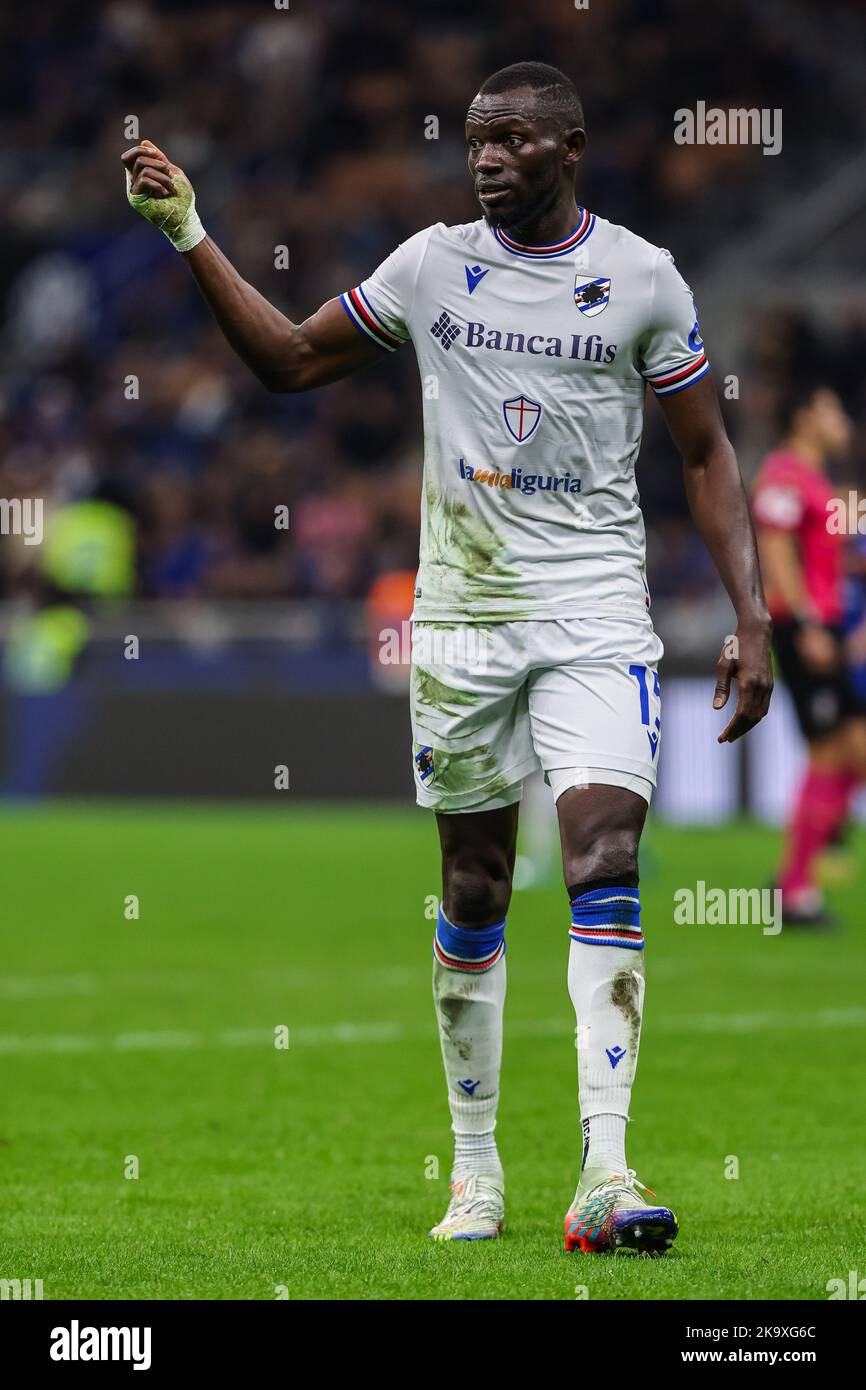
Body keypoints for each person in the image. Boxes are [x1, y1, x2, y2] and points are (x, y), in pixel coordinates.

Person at [122, 60, 773, 1253]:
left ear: (568, 148)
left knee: (602, 853)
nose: (485, 157)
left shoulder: (639, 280)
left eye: (514, 139)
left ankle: (607, 1171)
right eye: (476, 139)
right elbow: (285, 361)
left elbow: (704, 452)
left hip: (593, 615)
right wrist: (191, 233)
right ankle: (474, 1174)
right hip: (463, 621)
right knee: (473, 886)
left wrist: (752, 613)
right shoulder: (428, 265)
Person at [752, 383, 862, 925]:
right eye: (831, 407)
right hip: (803, 627)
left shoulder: (822, 483)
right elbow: (774, 551)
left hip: (827, 627)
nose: (841, 419)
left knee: (848, 750)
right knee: (835, 751)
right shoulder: (783, 475)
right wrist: (812, 622)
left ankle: (797, 878)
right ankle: (795, 890)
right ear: (803, 418)